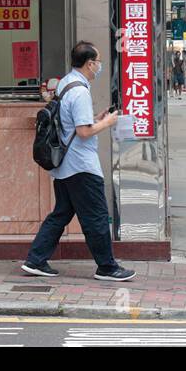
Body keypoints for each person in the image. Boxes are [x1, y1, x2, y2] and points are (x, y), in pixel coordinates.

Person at [22, 41, 136, 282]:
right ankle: (106, 266)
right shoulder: (81, 91)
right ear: (90, 63)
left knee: (61, 213)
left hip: (65, 165)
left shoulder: (66, 83)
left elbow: (72, 122)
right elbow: (83, 132)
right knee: (96, 215)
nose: (100, 66)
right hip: (81, 166)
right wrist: (108, 122)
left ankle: (36, 260)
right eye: (98, 62)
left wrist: (95, 118)